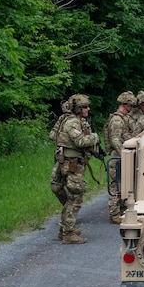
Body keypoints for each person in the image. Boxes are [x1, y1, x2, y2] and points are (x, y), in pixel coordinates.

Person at [49, 94, 102, 244]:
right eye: (85, 107)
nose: (88, 109)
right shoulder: (73, 122)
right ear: (78, 109)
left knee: (71, 197)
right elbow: (80, 141)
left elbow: (53, 135)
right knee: (75, 197)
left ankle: (64, 229)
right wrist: (95, 137)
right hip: (72, 164)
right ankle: (68, 233)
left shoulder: (69, 120)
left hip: (65, 162)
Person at [104, 92, 136, 224]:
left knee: (124, 184)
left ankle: (122, 210)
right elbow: (115, 140)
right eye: (130, 105)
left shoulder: (123, 118)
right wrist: (124, 154)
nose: (132, 107)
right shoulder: (117, 120)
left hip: (122, 156)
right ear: (126, 104)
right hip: (118, 156)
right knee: (116, 185)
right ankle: (114, 214)